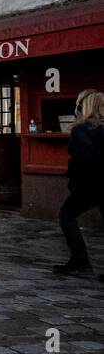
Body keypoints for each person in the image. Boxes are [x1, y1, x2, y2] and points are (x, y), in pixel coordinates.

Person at [53, 90, 104, 279]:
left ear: (83, 106)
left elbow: (83, 159)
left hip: (90, 184)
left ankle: (80, 260)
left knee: (67, 216)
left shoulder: (81, 129)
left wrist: (76, 185)